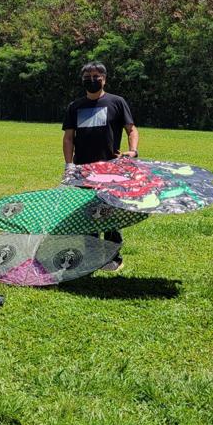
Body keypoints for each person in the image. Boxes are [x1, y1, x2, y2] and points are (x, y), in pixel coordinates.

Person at [61, 62, 138, 272]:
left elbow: (131, 130)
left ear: (104, 79)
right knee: (87, 214)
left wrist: (132, 151)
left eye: (96, 76)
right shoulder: (75, 106)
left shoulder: (117, 102)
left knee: (110, 212)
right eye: (88, 76)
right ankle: (92, 256)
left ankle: (113, 257)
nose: (92, 80)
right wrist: (69, 165)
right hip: (83, 169)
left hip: (111, 168)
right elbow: (68, 138)